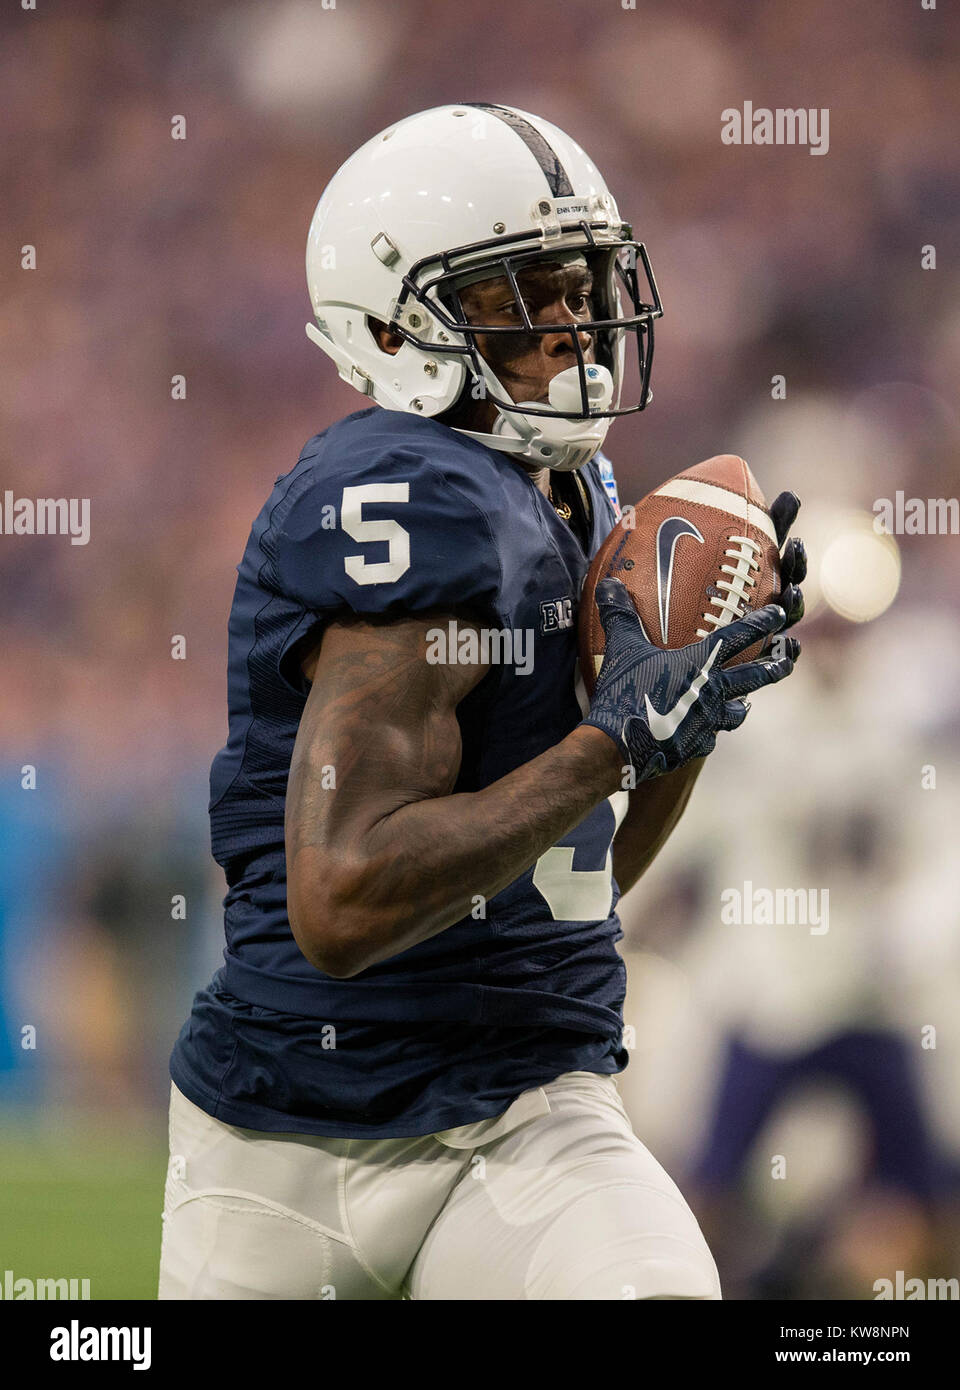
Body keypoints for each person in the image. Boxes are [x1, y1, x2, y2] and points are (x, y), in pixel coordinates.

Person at [159, 103, 804, 1300]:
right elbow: (342, 900)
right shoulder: (409, 496)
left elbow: (580, 875)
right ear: (402, 321)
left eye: (578, 282)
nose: (573, 323)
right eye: (522, 294)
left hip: (527, 1111)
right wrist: (611, 741)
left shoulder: (576, 488)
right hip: (289, 1137)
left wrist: (685, 708)